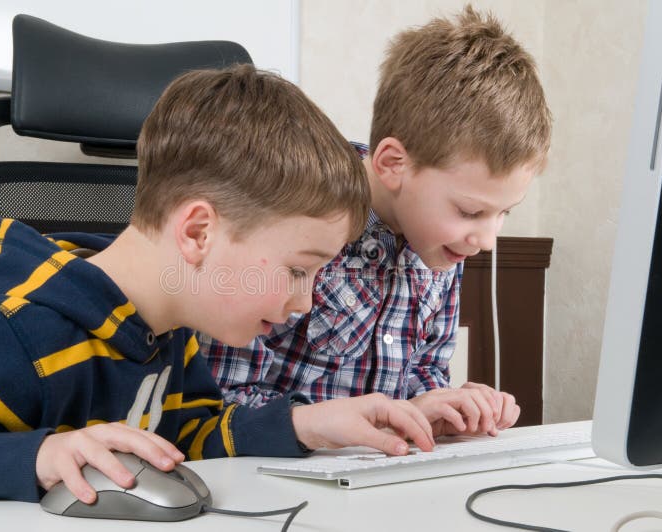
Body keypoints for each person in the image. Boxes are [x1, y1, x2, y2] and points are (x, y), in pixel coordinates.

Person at [0, 64, 436, 506]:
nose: (305, 302)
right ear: (198, 232)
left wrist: (308, 425)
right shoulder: (19, 330)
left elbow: (188, 434)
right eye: (299, 269)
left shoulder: (166, 331)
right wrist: (39, 457)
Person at [201, 6, 552, 439]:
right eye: (470, 211)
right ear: (392, 164)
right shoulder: (292, 220)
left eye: (504, 213)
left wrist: (438, 409)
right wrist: (320, 428)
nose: (486, 240)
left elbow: (424, 369)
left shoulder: (440, 244)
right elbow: (221, 403)